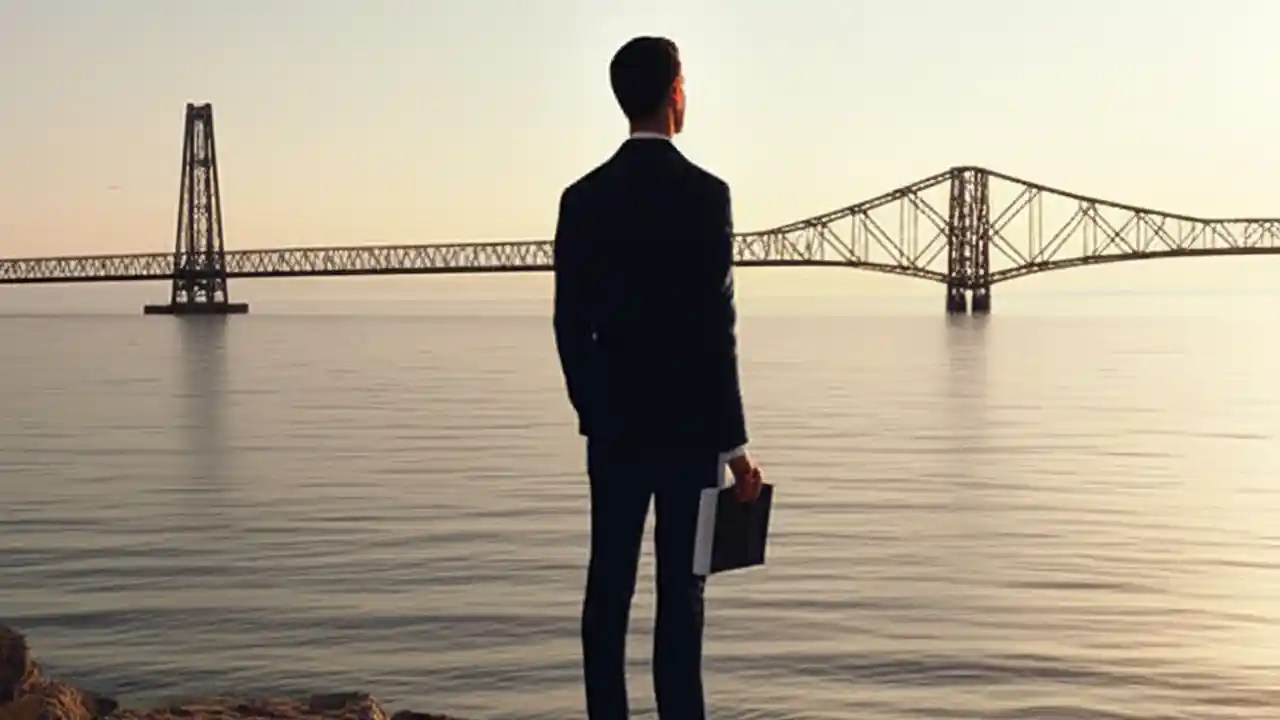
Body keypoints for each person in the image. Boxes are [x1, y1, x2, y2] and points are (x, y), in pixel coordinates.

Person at [552, 36, 764, 719]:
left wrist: (596, 409)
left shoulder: (581, 199)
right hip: (690, 433)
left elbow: (567, 325)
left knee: (607, 587)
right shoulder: (707, 196)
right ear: (675, 91)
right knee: (684, 594)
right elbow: (715, 330)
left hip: (614, 431)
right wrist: (734, 448)